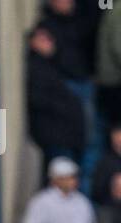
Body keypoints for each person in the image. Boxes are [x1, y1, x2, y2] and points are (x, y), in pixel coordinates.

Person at [27, 23, 86, 176]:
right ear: (32, 42)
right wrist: (64, 109)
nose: (49, 43)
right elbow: (38, 99)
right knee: (62, 178)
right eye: (43, 39)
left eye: (49, 39)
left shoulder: (51, 64)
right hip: (56, 136)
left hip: (65, 135)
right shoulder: (36, 68)